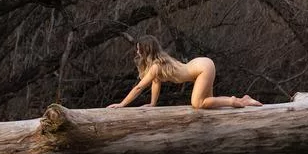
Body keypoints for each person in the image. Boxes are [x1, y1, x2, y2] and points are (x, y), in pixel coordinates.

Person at [108, 35, 262, 110]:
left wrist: (121, 104)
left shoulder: (156, 66)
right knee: (209, 102)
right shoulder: (160, 63)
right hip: (202, 64)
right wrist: (152, 103)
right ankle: (244, 98)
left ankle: (240, 101)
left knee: (198, 103)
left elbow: (138, 88)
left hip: (202, 68)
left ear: (145, 50)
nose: (137, 51)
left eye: (138, 48)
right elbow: (156, 82)